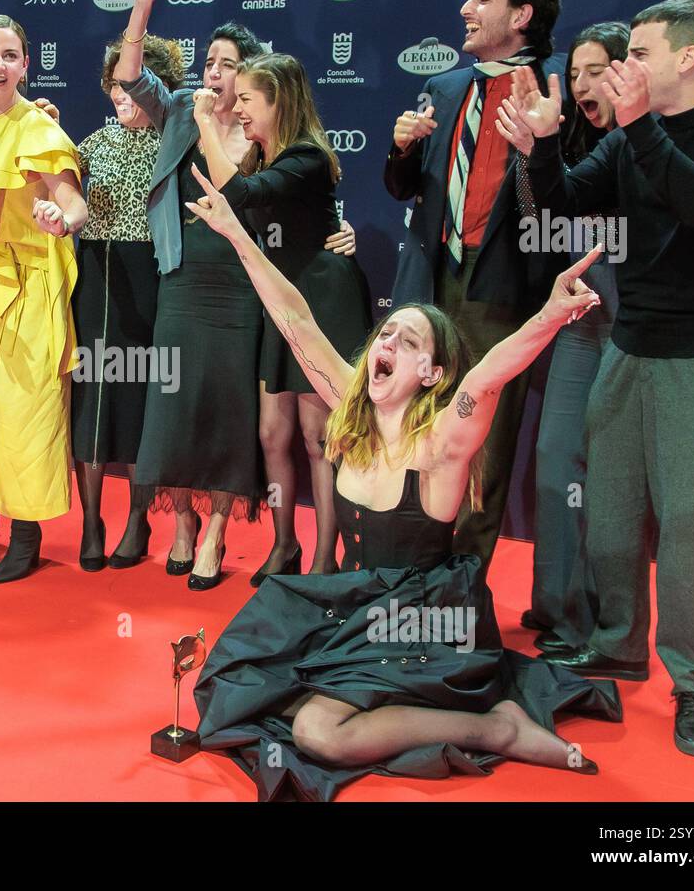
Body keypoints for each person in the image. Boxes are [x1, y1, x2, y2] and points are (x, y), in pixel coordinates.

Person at [182, 163, 621, 801]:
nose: (385, 340)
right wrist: (237, 235)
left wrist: (550, 316)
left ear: (432, 372)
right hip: (358, 602)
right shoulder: (350, 415)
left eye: (406, 338)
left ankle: (493, 729)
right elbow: (296, 321)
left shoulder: (442, 447)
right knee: (249, 675)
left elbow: (488, 378)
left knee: (317, 734)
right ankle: (472, 721)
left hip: (428, 618)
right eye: (385, 331)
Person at [510, 0, 694, 757]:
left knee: (693, 524)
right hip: (630, 345)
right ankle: (619, 643)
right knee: (613, 509)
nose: (625, 67)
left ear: (688, 58)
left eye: (639, 53)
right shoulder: (631, 141)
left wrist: (637, 127)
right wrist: (542, 144)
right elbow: (562, 203)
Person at [384, 0, 565, 571]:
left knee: (482, 440)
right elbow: (404, 189)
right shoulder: (446, 87)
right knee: (413, 429)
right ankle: (411, 569)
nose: (466, 8)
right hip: (430, 285)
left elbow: (558, 203)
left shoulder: (551, 90)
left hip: (501, 292)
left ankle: (464, 587)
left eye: (484, 0)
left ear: (521, 15)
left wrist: (539, 145)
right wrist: (402, 148)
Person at [114, 0, 268, 590]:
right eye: (209, 60)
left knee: (227, 412)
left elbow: (293, 190)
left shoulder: (264, 124)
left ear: (249, 74)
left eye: (226, 63)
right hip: (181, 274)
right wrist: (142, 5)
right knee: (173, 409)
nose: (212, 71)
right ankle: (180, 523)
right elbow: (129, 75)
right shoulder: (178, 107)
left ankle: (217, 533)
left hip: (239, 285)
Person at [195, 52, 373, 585]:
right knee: (273, 433)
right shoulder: (261, 158)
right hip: (280, 301)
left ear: (280, 102)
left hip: (322, 301)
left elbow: (239, 195)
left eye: (247, 99)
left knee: (320, 437)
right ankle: (283, 545)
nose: (237, 108)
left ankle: (325, 557)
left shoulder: (308, 157)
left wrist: (207, 121)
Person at [494, 23, 628, 654]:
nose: (580, 85)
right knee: (554, 464)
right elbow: (539, 221)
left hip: (635, 324)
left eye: (595, 70)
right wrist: (531, 152)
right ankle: (559, 610)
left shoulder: (647, 141)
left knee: (614, 482)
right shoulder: (567, 139)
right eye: (574, 73)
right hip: (578, 320)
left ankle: (609, 627)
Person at [0, 14, 88, 584]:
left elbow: (72, 202)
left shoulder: (40, 128)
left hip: (30, 285)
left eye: (10, 55)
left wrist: (61, 219)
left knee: (26, 410)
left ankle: (26, 532)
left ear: (27, 65)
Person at [71, 34, 183, 571]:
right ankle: (91, 522)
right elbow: (52, 181)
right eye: (114, 86)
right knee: (92, 399)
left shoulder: (174, 139)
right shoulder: (91, 143)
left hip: (151, 280)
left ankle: (138, 520)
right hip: (94, 279)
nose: (122, 96)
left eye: (131, 85)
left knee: (141, 400)